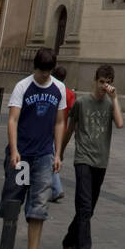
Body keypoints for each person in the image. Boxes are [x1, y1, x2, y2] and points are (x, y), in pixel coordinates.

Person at [0, 47, 67, 249]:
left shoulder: (59, 88)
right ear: (35, 68)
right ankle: (7, 245)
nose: (44, 76)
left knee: (39, 204)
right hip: (22, 157)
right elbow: (13, 120)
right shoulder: (23, 86)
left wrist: (57, 153)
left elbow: (59, 122)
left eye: (47, 72)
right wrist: (14, 150)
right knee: (14, 199)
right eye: (41, 72)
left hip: (43, 156)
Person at [60, 64, 123, 249]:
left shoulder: (109, 104)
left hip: (101, 161)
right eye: (102, 81)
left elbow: (121, 124)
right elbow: (69, 130)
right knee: (85, 206)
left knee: (88, 210)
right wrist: (59, 154)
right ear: (95, 80)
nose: (104, 86)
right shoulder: (81, 103)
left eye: (108, 82)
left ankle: (69, 241)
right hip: (83, 160)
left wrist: (114, 99)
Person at [50, 65, 75, 201]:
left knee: (50, 157)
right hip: (63, 129)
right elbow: (72, 112)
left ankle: (57, 188)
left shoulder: (53, 89)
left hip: (50, 129)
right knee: (53, 156)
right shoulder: (69, 93)